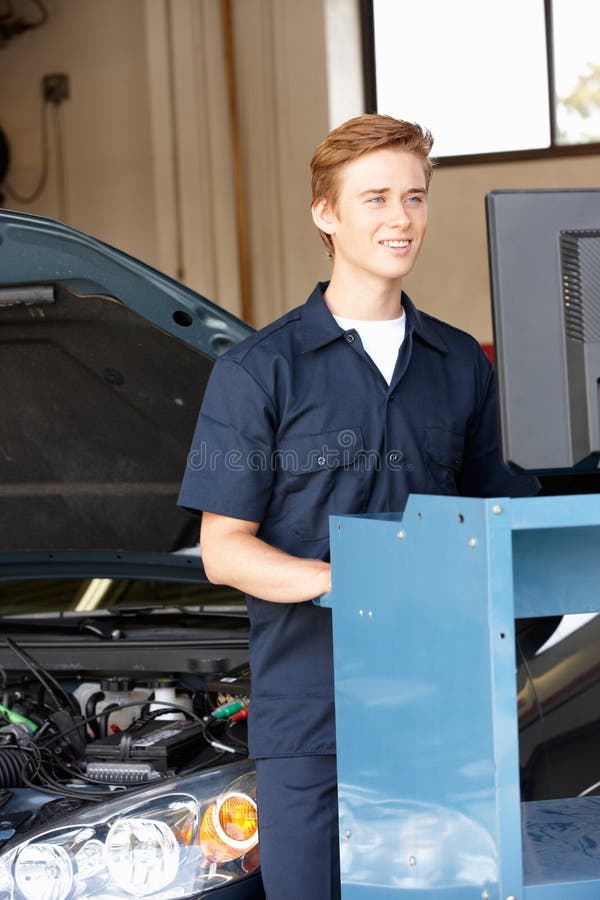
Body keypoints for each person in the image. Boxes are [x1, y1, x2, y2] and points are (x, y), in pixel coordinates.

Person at [178, 114, 538, 899]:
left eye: (414, 197)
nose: (400, 219)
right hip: (312, 719)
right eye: (375, 198)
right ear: (325, 212)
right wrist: (341, 579)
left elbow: (499, 517)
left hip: (443, 712)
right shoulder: (257, 373)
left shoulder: (461, 367)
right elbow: (224, 550)